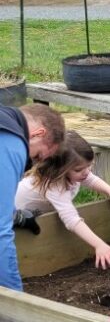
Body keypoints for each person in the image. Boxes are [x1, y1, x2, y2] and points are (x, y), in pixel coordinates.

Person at [15, 131, 110, 268]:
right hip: (15, 215)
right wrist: (99, 244)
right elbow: (71, 220)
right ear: (59, 169)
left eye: (89, 165)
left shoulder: (77, 171)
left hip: (39, 213)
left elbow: (90, 179)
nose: (86, 172)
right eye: (79, 170)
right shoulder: (54, 185)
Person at [1, 103, 65, 291]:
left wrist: (15, 215)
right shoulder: (12, 141)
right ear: (38, 133)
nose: (30, 165)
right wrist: (17, 300)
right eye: (37, 156)